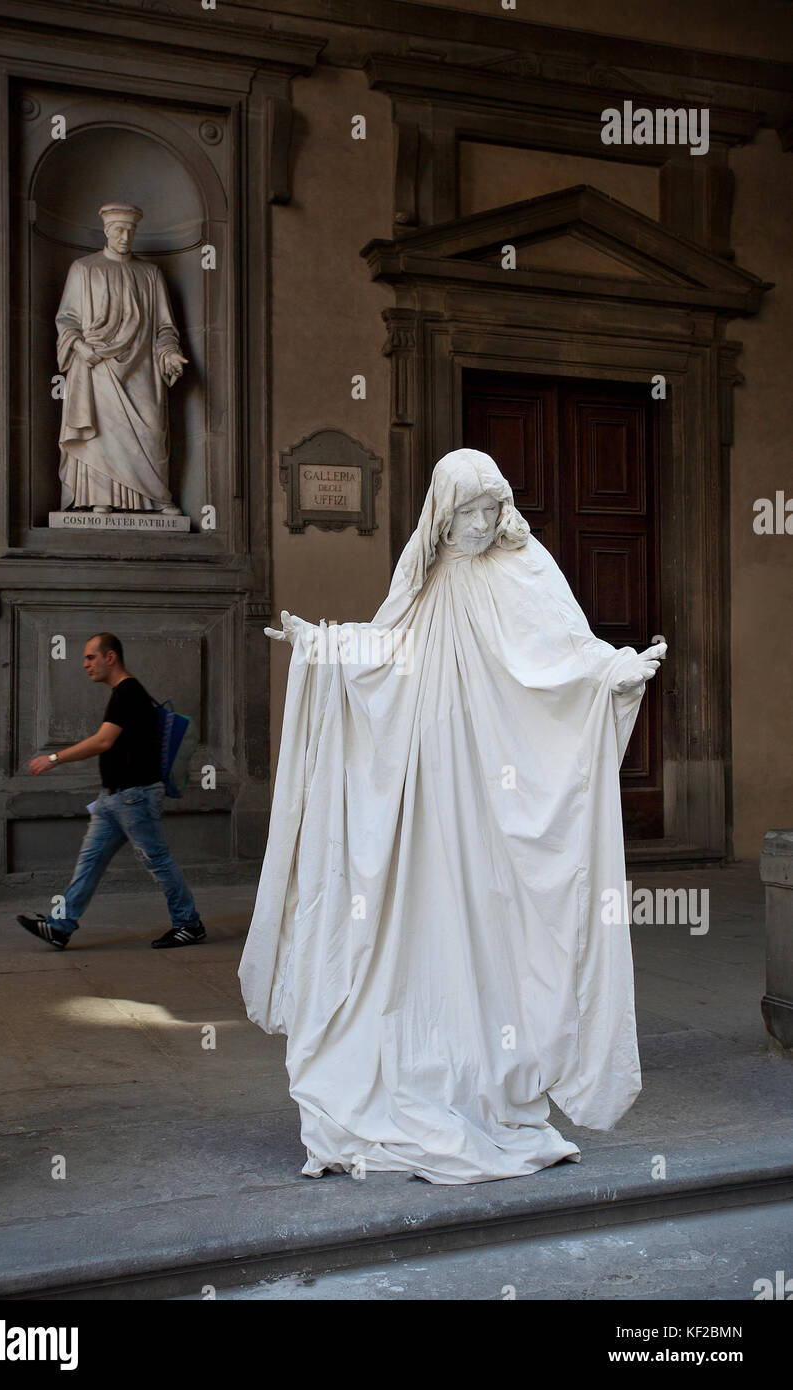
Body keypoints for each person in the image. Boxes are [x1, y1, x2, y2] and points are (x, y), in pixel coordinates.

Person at [239, 448, 666, 1185]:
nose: (480, 524)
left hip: (489, 790)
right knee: (416, 933)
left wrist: (615, 670)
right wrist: (322, 646)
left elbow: (564, 656)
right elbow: (387, 650)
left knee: (486, 929)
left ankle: (487, 1085)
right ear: (441, 515)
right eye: (467, 513)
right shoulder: (426, 574)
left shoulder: (524, 571)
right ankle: (420, 1075)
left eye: (490, 511)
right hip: (424, 788)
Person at [16, 633, 205, 950]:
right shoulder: (122, 693)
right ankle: (60, 927)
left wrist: (53, 758)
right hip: (112, 799)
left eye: (91, 657)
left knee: (157, 860)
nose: (85, 664)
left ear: (111, 657)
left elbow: (103, 741)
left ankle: (189, 924)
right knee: (88, 864)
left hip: (135, 796)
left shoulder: (129, 692)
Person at [55, 202, 188, 514]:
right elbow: (67, 319)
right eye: (119, 230)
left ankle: (155, 497)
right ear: (106, 231)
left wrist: (169, 353)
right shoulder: (84, 269)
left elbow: (165, 327)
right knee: (101, 432)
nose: (125, 236)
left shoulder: (150, 274)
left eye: (130, 230)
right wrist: (79, 345)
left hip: (143, 368)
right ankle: (101, 497)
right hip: (96, 367)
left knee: (152, 431)